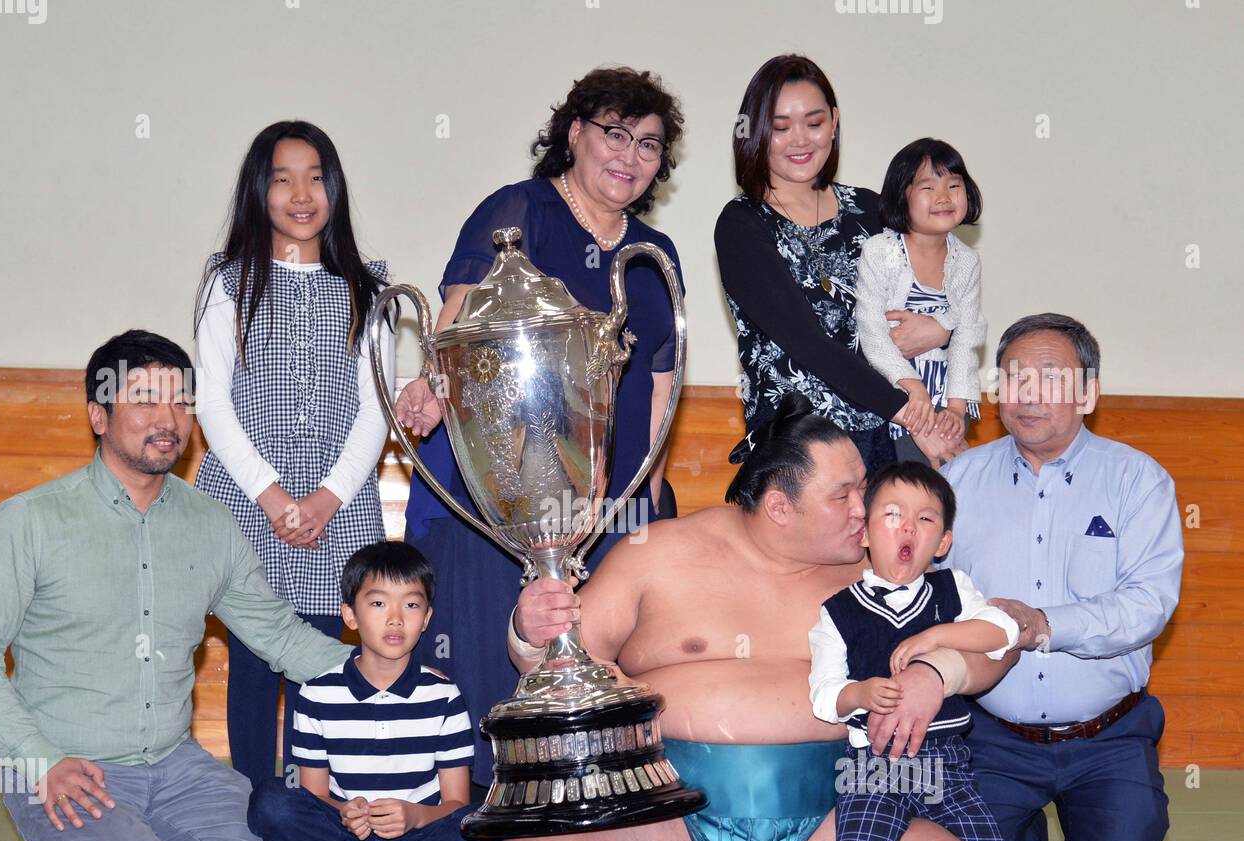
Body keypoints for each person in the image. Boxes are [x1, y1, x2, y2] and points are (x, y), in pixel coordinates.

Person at [490, 400, 1019, 841]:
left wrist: (940, 675)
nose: (867, 509)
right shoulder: (657, 552)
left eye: (865, 488)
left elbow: (998, 638)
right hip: (669, 826)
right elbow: (558, 659)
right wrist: (528, 629)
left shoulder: (883, 571)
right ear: (778, 506)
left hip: (837, 822)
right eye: (845, 495)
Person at [0, 331, 355, 841]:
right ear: (98, 414)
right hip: (66, 764)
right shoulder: (28, 522)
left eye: (180, 401)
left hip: (174, 764)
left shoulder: (211, 524)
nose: (167, 419)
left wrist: (385, 672)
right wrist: (38, 761)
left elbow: (279, 635)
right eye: (143, 399)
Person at [393, 66, 686, 789]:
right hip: (502, 497)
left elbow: (656, 387)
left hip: (609, 498)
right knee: (494, 670)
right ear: (575, 134)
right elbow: (456, 329)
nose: (629, 155)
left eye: (648, 144)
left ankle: (589, 823)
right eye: (614, 133)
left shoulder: (657, 253)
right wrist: (432, 390)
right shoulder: (518, 209)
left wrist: (637, 498)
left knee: (601, 673)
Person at [941, 313, 1184, 841]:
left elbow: (1149, 605)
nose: (1028, 393)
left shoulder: (1138, 480)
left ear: (1088, 392)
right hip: (992, 735)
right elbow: (934, 595)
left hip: (1109, 736)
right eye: (1015, 377)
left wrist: (1042, 624)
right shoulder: (959, 481)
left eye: (1051, 377)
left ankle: (1096, 838)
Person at [193, 120, 394, 788]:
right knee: (253, 658)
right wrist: (275, 498)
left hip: (338, 504)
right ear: (260, 191)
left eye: (316, 178)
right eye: (283, 179)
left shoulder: (371, 289)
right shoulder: (228, 282)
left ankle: (316, 808)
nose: (301, 194)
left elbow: (377, 408)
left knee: (320, 659)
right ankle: (254, 809)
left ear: (333, 190)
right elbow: (213, 405)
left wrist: (327, 497)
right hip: (251, 500)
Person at [801, 461, 1019, 841]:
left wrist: (937, 639)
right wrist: (860, 693)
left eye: (925, 520)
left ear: (943, 541)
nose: (907, 530)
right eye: (892, 515)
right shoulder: (838, 612)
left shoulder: (953, 591)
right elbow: (823, 696)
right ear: (865, 532)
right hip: (873, 765)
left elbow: (1002, 631)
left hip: (946, 764)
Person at [715, 55, 962, 477]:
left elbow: (945, 284)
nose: (800, 140)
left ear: (834, 121)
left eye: (814, 123)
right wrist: (911, 415)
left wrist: (943, 327)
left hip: (894, 435)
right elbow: (808, 345)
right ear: (755, 132)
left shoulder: (869, 208)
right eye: (780, 127)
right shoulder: (743, 224)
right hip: (801, 449)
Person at [247, 543, 496, 841]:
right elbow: (314, 796)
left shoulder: (444, 696)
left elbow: (455, 805)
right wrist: (344, 811)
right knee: (271, 800)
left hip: (420, 838)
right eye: (378, 604)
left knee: (490, 822)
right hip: (349, 838)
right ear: (350, 615)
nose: (395, 619)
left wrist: (413, 817)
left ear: (427, 618)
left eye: (410, 606)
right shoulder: (317, 694)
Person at [855, 138, 987, 465]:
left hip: (945, 398)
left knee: (942, 486)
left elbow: (967, 336)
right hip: (896, 396)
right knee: (901, 485)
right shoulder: (880, 252)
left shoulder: (966, 261)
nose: (944, 197)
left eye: (954, 185)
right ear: (902, 196)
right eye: (928, 187)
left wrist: (956, 407)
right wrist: (913, 387)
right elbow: (871, 332)